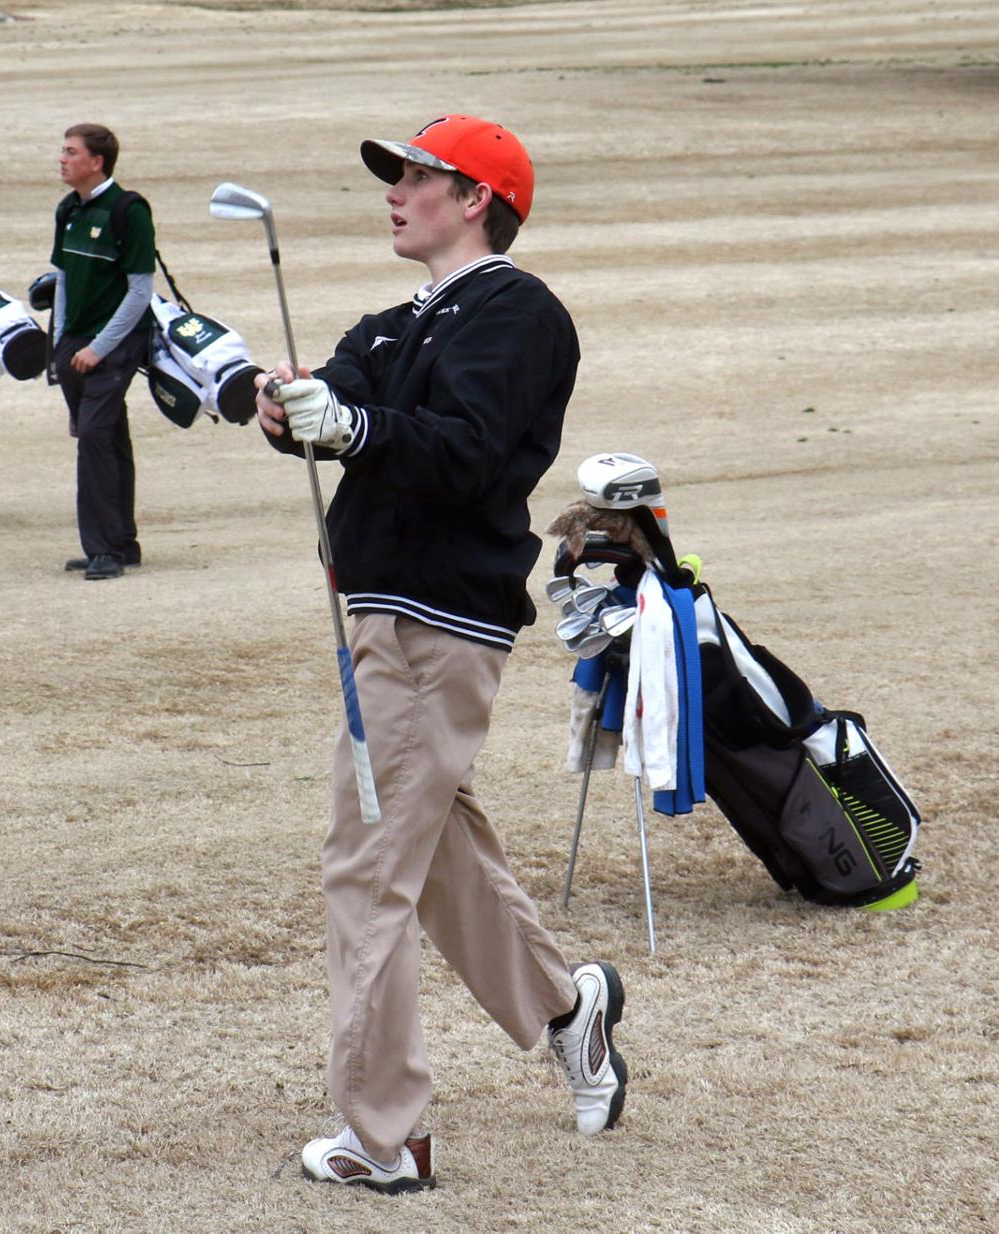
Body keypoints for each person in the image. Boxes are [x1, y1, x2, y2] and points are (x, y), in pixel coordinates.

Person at [254, 114, 628, 1194]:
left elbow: (462, 454)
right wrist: (288, 407)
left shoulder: (515, 311)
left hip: (433, 620)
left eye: (421, 176)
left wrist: (353, 427)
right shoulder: (391, 321)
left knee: (368, 868)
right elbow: (342, 405)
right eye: (398, 175)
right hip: (384, 615)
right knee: (435, 853)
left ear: (477, 200)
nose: (397, 190)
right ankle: (569, 1007)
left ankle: (386, 1138)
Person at [51, 123, 154, 580]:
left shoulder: (128, 210)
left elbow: (139, 292)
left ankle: (103, 551)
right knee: (109, 437)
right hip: (74, 346)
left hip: (113, 347)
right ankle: (123, 542)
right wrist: (60, 342)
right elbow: (61, 278)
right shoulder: (68, 209)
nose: (62, 158)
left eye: (70, 152)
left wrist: (98, 346)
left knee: (93, 437)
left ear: (96, 162)